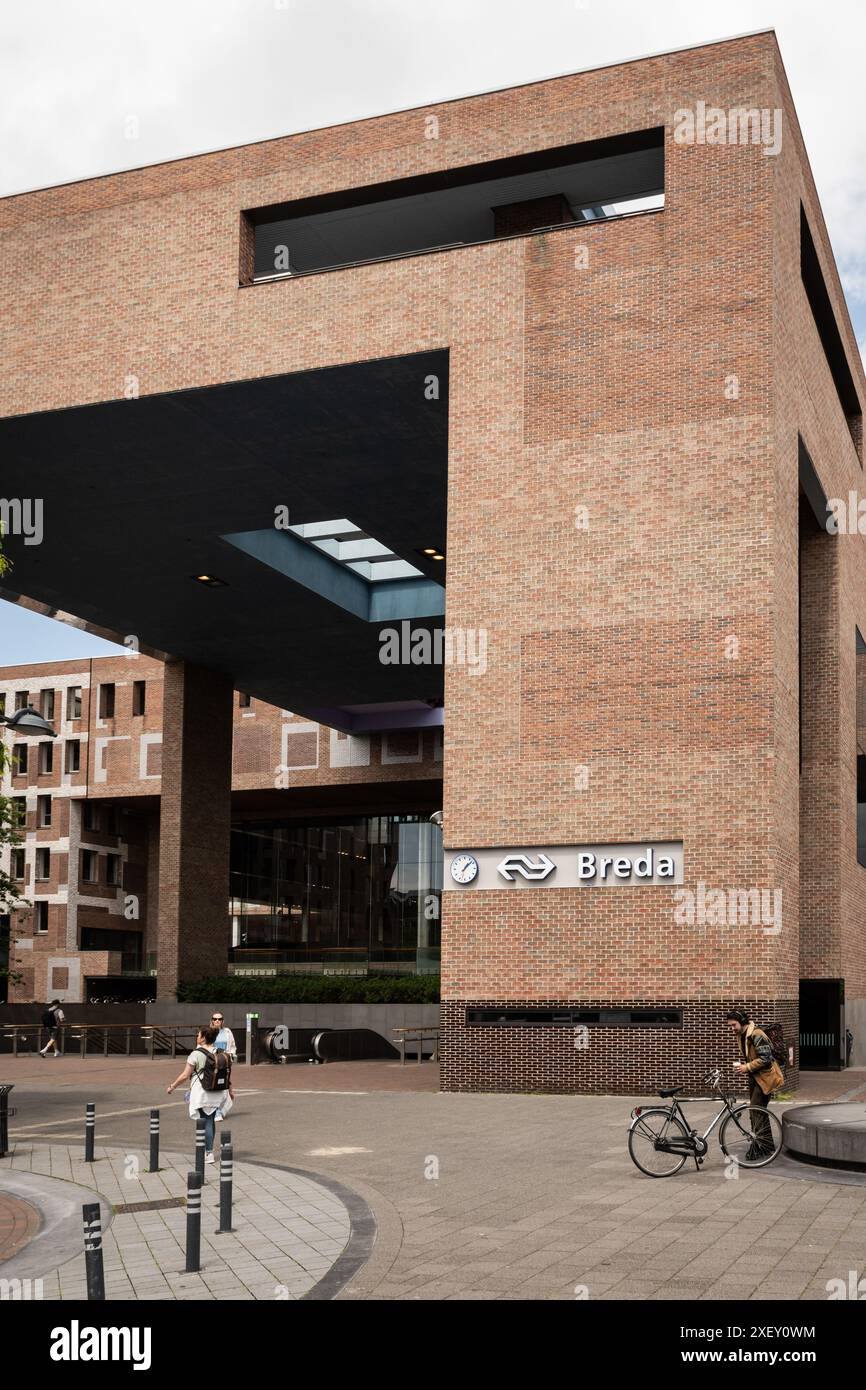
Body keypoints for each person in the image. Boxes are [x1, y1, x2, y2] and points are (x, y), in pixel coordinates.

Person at [166, 1025, 234, 1164]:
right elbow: (227, 1073)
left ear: (203, 1038)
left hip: (203, 1092)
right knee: (210, 1120)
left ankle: (208, 1152)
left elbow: (185, 1075)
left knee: (206, 1120)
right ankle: (207, 1150)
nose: (197, 1037)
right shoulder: (221, 1052)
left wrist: (172, 1086)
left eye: (198, 1035)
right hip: (218, 1091)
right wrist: (231, 1091)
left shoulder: (196, 1054)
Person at [726, 1009, 784, 1158]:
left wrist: (747, 1067)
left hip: (765, 1078)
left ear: (743, 1022)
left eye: (734, 1025)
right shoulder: (742, 1034)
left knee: (756, 1112)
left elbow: (766, 1058)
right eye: (730, 1026)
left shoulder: (756, 1034)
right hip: (755, 1077)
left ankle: (759, 1146)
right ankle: (766, 1145)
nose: (732, 1029)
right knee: (759, 1112)